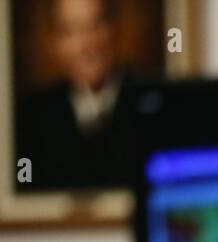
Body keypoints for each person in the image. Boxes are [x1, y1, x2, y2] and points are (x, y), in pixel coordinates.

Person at [16, 0, 136, 190]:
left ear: (114, 29)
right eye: (71, 31)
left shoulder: (149, 103)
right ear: (55, 43)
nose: (87, 44)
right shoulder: (32, 118)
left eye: (95, 26)